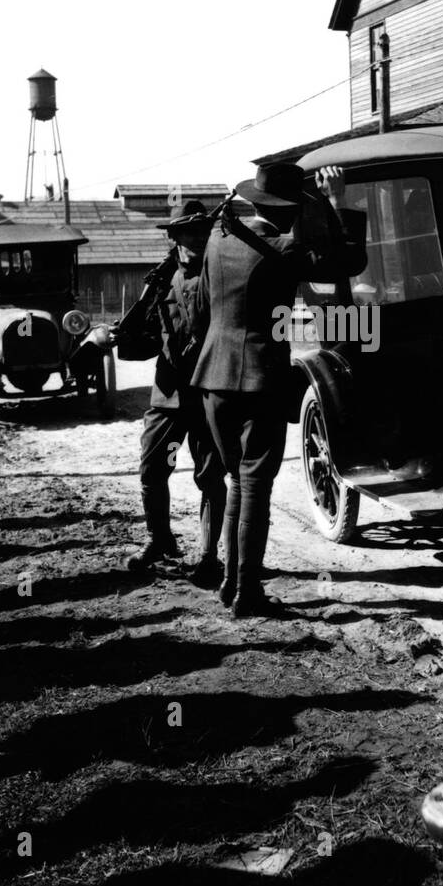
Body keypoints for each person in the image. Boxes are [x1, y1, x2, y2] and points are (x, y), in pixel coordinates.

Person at [192, 163, 367, 618]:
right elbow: (348, 263)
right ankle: (248, 591)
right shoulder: (285, 246)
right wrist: (337, 202)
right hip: (259, 381)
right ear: (291, 210)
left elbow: (202, 308)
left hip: (212, 378)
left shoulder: (218, 239)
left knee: (237, 482)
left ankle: (232, 582)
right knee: (255, 487)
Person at [119, 199, 227, 583]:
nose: (197, 238)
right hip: (167, 395)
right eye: (188, 231)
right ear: (175, 236)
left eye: (203, 230)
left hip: (206, 393)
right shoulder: (160, 281)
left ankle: (209, 556)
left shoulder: (222, 275)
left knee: (210, 477)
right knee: (153, 467)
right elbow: (142, 338)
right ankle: (160, 540)